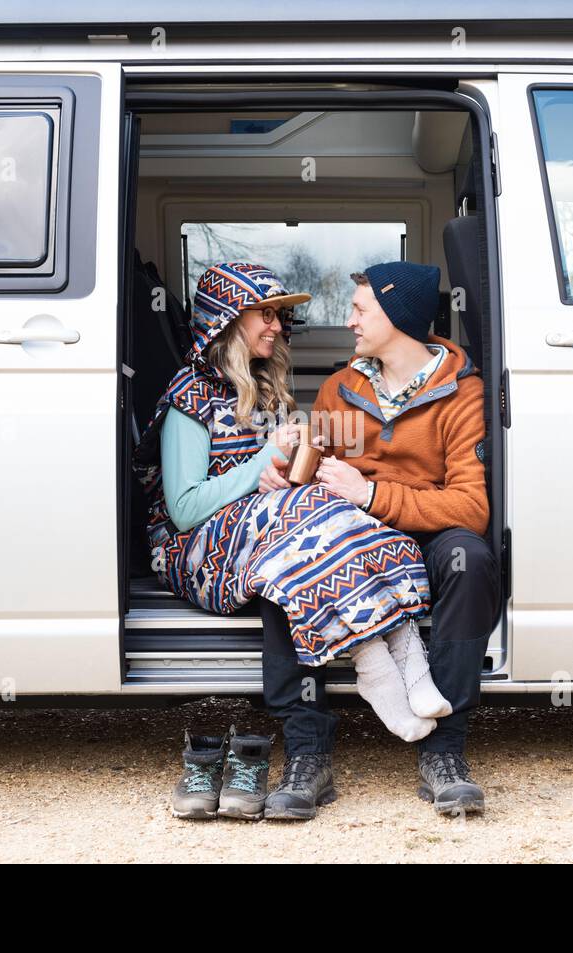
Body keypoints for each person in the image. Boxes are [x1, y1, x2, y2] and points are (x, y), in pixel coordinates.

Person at [133, 262, 454, 820]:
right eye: (266, 314)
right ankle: (386, 664)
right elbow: (184, 512)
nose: (278, 327)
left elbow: (276, 485)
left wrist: (298, 466)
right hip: (195, 550)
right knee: (294, 537)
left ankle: (388, 652)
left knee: (330, 505)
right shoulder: (187, 396)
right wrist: (262, 465)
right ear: (228, 319)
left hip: (260, 528)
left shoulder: (263, 387)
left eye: (280, 316)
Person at [257, 261, 498, 820]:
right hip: (354, 533)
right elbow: (315, 458)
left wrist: (371, 495)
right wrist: (281, 466)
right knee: (283, 566)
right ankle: (306, 754)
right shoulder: (345, 387)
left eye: (360, 309)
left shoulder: (462, 392)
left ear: (399, 316)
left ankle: (444, 752)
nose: (349, 322)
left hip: (427, 529)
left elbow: (470, 506)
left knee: (471, 559)